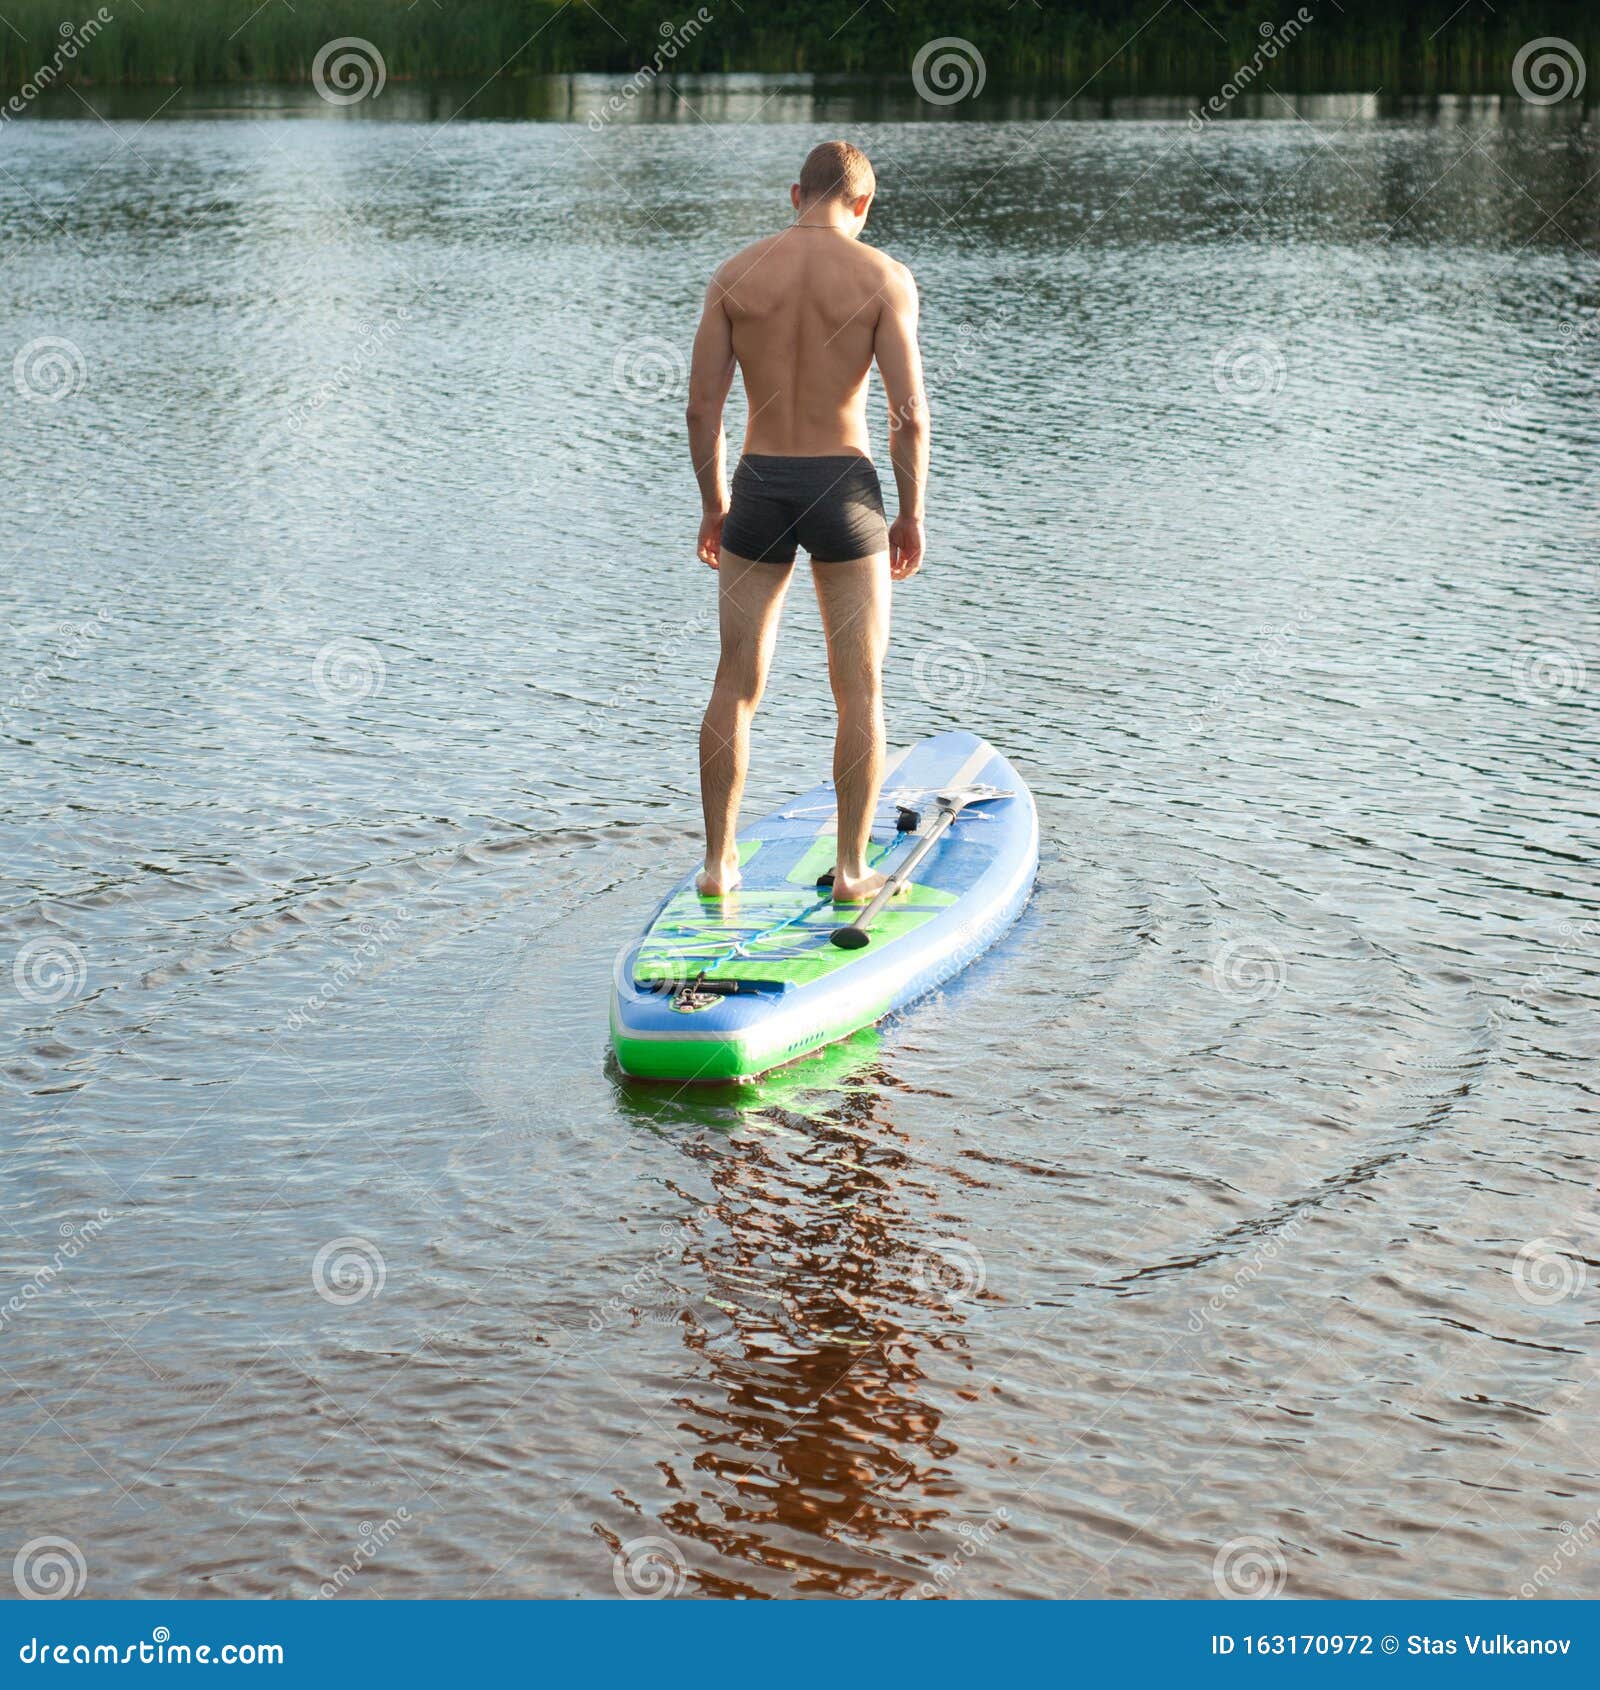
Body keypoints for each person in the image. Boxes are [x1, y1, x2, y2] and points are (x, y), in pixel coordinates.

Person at [685, 139, 928, 903]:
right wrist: (912, 513)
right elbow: (910, 416)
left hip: (759, 483)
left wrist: (715, 505)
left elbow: (701, 408)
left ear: (796, 195)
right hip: (844, 488)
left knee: (736, 680)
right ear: (862, 204)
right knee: (859, 688)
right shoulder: (882, 276)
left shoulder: (736, 275)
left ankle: (719, 866)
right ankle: (852, 872)